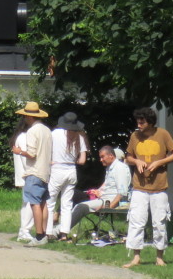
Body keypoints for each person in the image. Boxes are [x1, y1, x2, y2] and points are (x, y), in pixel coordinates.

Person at [125, 106, 173, 268]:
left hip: (159, 187)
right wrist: (137, 161)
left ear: (150, 121)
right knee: (136, 220)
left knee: (159, 222)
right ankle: (136, 257)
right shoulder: (135, 136)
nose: (139, 124)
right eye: (137, 121)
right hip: (139, 187)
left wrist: (159, 162)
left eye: (142, 121)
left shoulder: (162, 134)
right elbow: (128, 157)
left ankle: (159, 257)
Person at [11, 100, 52, 244]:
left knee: (34, 203)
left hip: (34, 171)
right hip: (46, 171)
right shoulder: (47, 130)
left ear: (29, 117)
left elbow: (32, 153)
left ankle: (39, 235)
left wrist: (19, 151)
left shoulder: (32, 131)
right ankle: (45, 232)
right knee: (43, 203)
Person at [46, 111, 88, 240]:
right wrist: (71, 160)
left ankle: (47, 231)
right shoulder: (80, 137)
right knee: (67, 204)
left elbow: (46, 152)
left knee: (50, 201)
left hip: (57, 169)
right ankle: (64, 233)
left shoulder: (54, 134)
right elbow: (82, 161)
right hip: (71, 170)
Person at [71, 145, 130, 230]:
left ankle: (60, 231)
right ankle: (60, 229)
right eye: (100, 157)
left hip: (110, 201)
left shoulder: (120, 168)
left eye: (102, 157)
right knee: (73, 196)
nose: (100, 160)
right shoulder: (110, 168)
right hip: (103, 199)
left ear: (111, 156)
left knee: (81, 206)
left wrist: (109, 208)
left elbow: (122, 192)